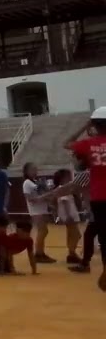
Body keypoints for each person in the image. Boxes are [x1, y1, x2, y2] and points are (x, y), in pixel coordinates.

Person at [64, 108, 106, 291]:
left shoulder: (89, 144)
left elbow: (67, 143)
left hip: (100, 197)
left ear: (95, 125)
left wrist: (85, 126)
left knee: (104, 236)